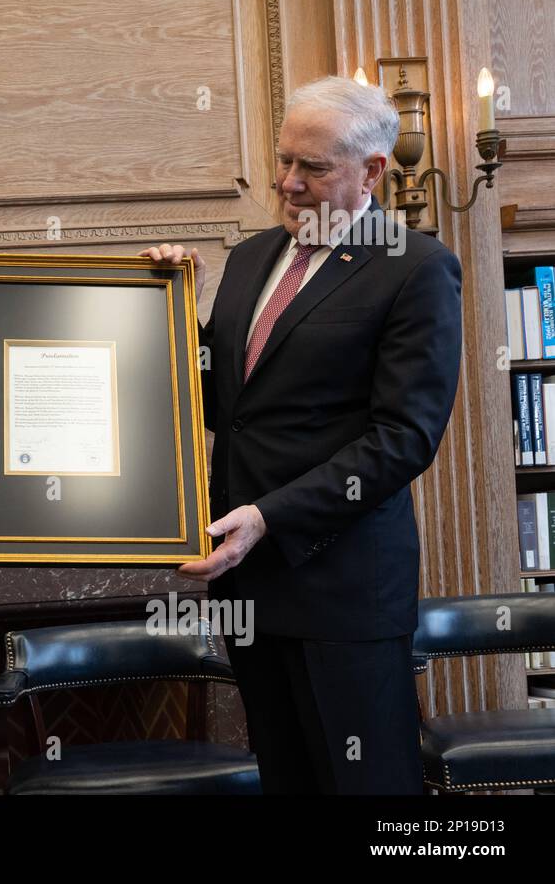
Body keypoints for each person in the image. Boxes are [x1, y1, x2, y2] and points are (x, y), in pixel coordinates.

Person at [142, 76, 462, 794]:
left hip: (341, 591)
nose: (287, 183)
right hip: (250, 587)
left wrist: (268, 517)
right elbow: (227, 402)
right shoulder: (253, 257)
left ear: (373, 171)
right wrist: (161, 312)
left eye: (311, 168)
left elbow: (404, 438)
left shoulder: (416, 269)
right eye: (283, 161)